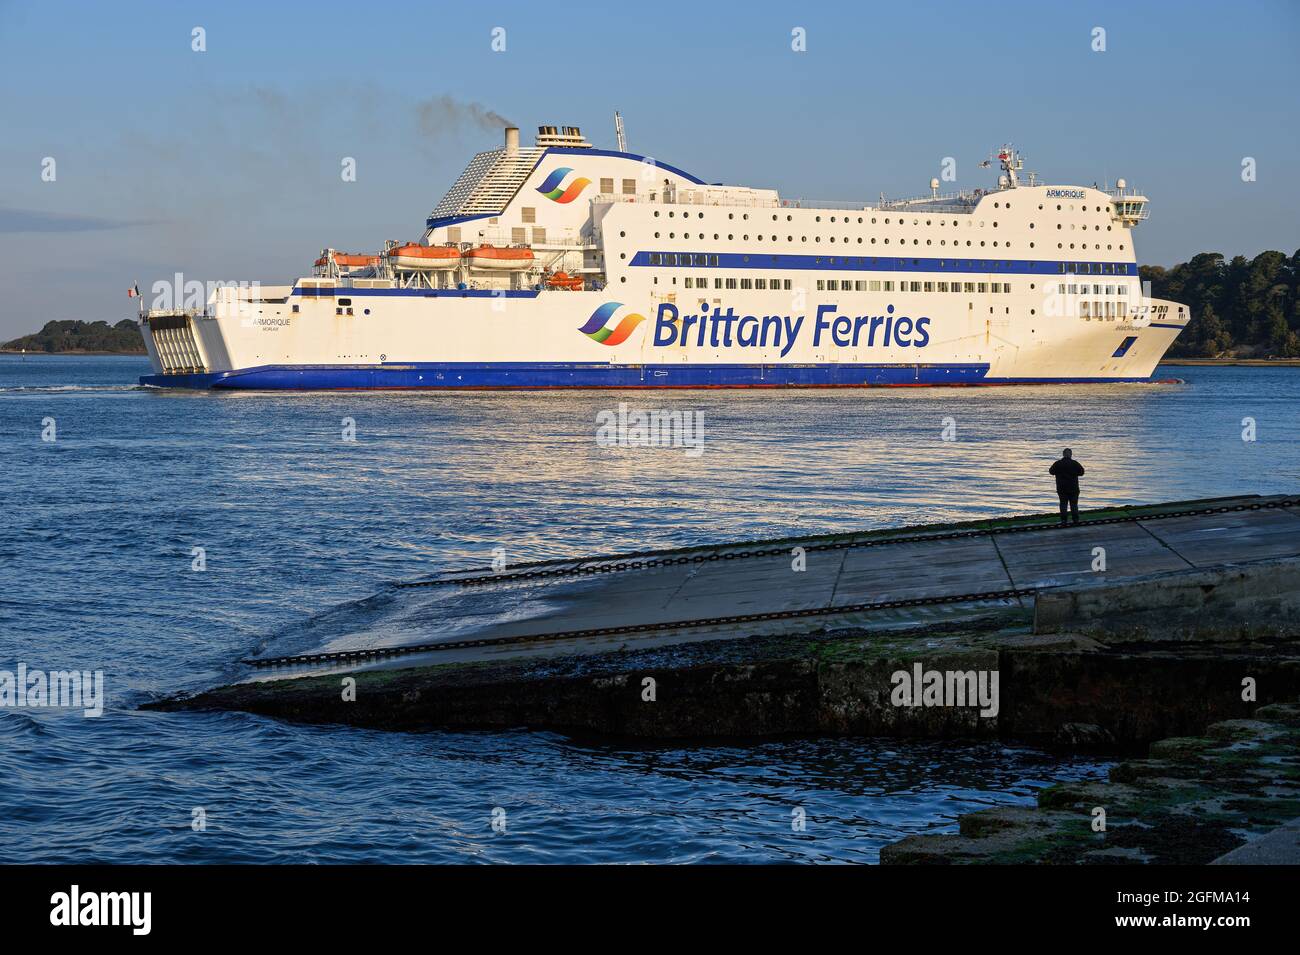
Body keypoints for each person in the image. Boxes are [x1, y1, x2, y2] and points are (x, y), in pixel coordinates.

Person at [1049, 448, 1085, 526]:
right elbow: (1082, 472)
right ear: (1071, 454)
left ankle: (1064, 521)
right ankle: (1075, 520)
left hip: (1061, 488)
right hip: (1073, 488)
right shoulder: (1075, 463)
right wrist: (1074, 473)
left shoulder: (1058, 463)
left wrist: (1058, 473)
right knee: (1074, 505)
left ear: (1063, 454)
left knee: (1063, 504)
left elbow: (1051, 471)